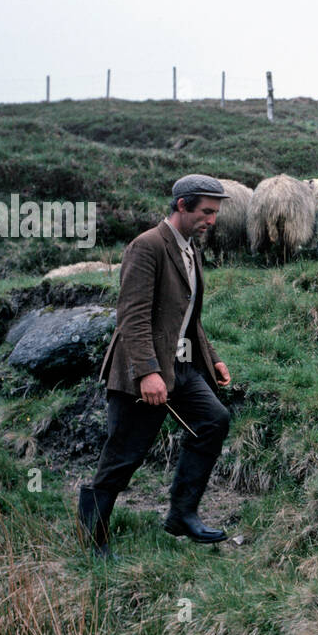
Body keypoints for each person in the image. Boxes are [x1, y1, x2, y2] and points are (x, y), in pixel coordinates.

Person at [77, 174, 234, 560]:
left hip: (180, 368)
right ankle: (91, 536)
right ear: (182, 205)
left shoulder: (191, 250)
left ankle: (182, 515)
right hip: (140, 372)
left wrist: (211, 357)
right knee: (122, 457)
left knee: (213, 421)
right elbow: (132, 316)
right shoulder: (146, 246)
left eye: (214, 213)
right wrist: (147, 371)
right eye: (206, 212)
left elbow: (188, 317)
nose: (211, 221)